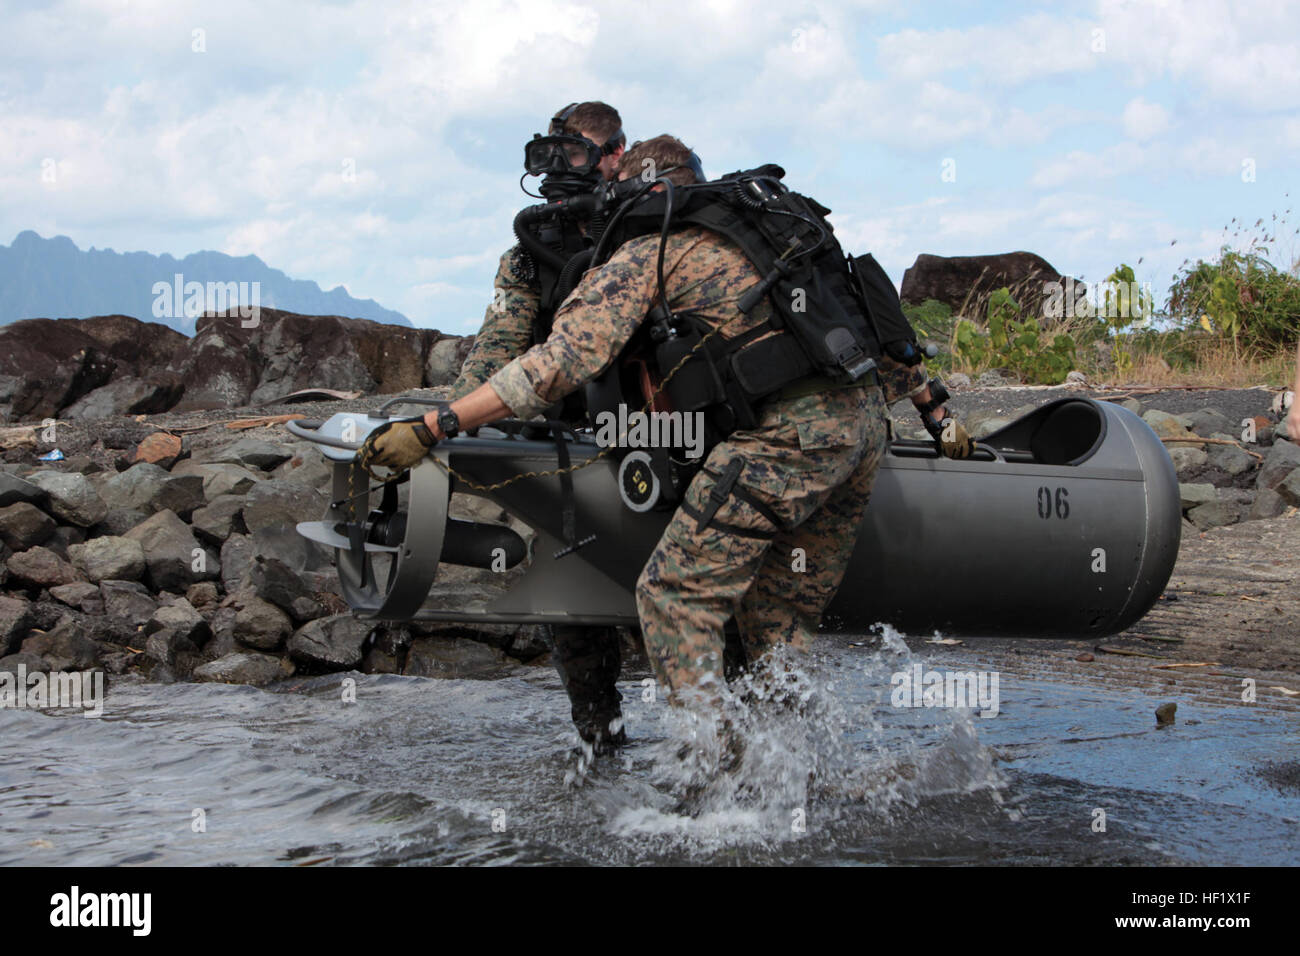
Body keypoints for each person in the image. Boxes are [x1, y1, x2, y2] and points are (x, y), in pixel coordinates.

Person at [369, 135, 969, 729]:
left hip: (788, 443)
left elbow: (559, 363)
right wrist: (939, 417)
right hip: (864, 432)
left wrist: (437, 423)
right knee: (777, 624)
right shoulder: (780, 230)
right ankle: (797, 776)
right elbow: (876, 328)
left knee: (672, 599)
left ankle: (713, 785)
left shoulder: (654, 250)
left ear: (636, 187)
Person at [449, 101, 629, 752]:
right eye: (550, 155)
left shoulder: (652, 230)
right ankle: (602, 754)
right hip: (572, 456)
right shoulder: (530, 252)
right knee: (574, 616)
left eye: (577, 153)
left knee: (691, 610)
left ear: (613, 155)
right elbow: (496, 351)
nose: (560, 170)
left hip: (669, 444)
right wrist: (446, 422)